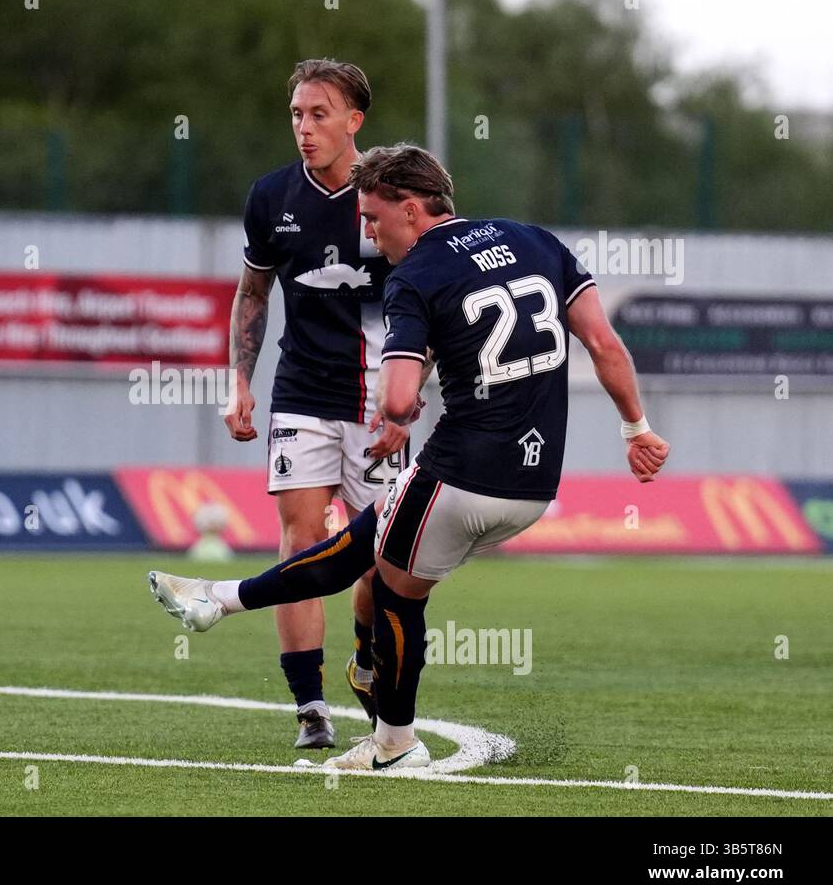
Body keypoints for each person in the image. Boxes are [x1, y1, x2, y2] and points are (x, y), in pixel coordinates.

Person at [152, 143, 671, 770]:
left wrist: (398, 416)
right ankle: (222, 601)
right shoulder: (534, 240)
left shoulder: (415, 275)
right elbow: (603, 341)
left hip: (462, 474)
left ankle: (392, 741)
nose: (367, 234)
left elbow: (397, 391)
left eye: (372, 218)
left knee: (384, 587)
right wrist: (637, 429)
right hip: (534, 487)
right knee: (366, 552)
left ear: (412, 208)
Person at [226, 60, 414, 749]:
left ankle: (366, 660)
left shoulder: (391, 198)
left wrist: (412, 396)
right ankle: (310, 706)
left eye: (320, 114)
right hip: (301, 392)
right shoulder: (271, 196)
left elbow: (427, 299)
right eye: (298, 114)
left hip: (376, 406)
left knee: (382, 561)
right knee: (301, 537)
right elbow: (252, 292)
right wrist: (239, 379)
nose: (305, 128)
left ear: (355, 120)